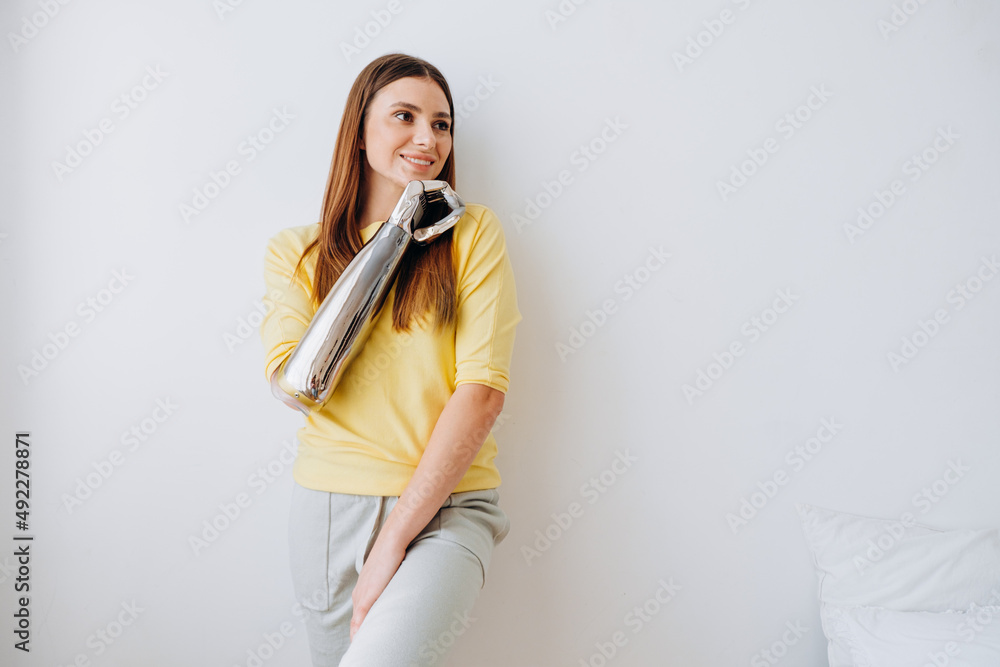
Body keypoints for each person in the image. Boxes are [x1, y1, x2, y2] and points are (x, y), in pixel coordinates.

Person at [259, 53, 522, 666]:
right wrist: (396, 233)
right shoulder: (296, 253)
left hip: (446, 509)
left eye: (442, 123)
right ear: (359, 130)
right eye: (404, 116)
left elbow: (481, 393)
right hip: (327, 511)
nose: (427, 139)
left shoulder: (473, 234)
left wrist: (395, 539)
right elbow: (299, 386)